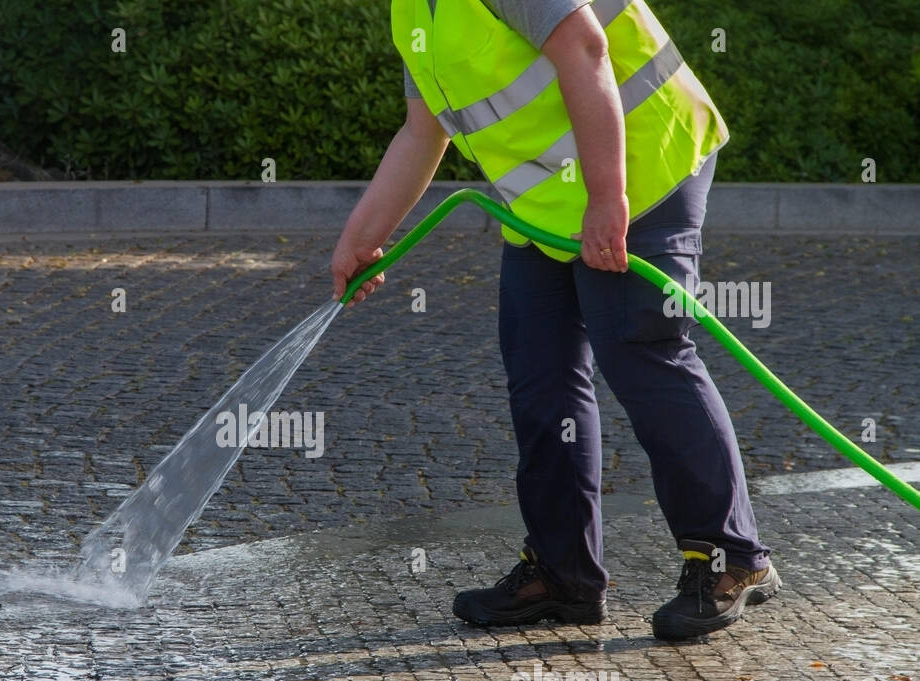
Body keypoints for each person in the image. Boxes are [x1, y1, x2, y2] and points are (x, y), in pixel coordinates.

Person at [330, 0, 779, 640]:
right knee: (540, 371)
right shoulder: (413, 13)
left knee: (641, 349)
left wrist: (606, 197)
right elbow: (422, 131)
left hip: (643, 163)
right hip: (546, 206)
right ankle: (564, 573)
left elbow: (586, 50)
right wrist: (360, 239)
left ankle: (730, 557)